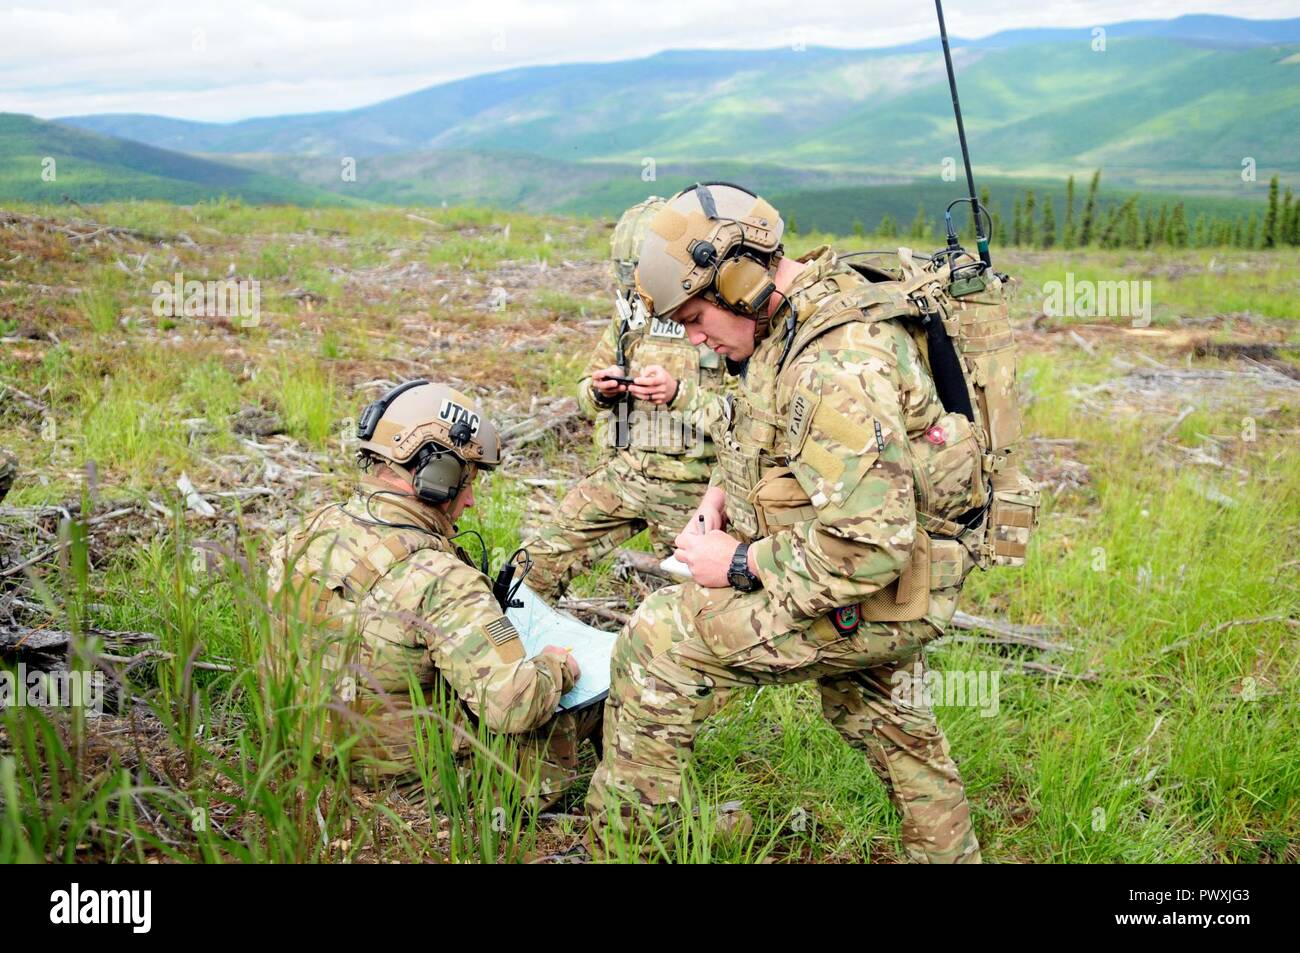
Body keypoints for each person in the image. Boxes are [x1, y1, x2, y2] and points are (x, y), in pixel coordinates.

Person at [585, 183, 1003, 862]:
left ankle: (622, 849)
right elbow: (768, 430)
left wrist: (741, 564)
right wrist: (721, 493)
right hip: (905, 577)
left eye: (694, 318)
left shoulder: (832, 363)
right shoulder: (801, 310)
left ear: (741, 280)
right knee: (883, 709)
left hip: (879, 580)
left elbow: (868, 544)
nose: (693, 338)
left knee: (659, 637)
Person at [266, 380, 599, 805]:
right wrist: (558, 666)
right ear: (438, 475)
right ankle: (631, 823)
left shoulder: (306, 533)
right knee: (599, 689)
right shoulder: (442, 579)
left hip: (310, 762)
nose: (472, 501)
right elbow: (513, 706)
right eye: (468, 480)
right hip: (422, 788)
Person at [524, 197, 732, 600]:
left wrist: (679, 394)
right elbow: (584, 397)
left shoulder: (721, 322)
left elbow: (745, 419)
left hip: (693, 490)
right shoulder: (630, 319)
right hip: (624, 474)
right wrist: (602, 390)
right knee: (535, 563)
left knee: (702, 604)